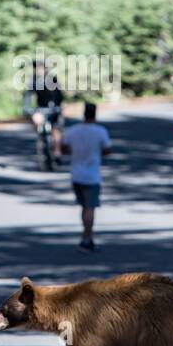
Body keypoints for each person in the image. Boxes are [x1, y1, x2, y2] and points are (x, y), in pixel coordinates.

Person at [60, 101, 112, 252]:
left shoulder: (73, 131)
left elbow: (63, 147)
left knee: (83, 207)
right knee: (90, 208)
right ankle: (87, 238)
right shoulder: (100, 131)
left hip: (76, 174)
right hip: (92, 175)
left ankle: (86, 235)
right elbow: (107, 150)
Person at [22, 62, 64, 163]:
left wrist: (57, 107)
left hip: (53, 107)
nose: (39, 71)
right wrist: (26, 108)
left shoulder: (52, 80)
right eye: (37, 69)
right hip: (40, 108)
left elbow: (58, 95)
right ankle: (41, 140)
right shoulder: (34, 81)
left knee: (55, 128)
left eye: (41, 68)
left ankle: (57, 151)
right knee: (36, 120)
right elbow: (27, 95)